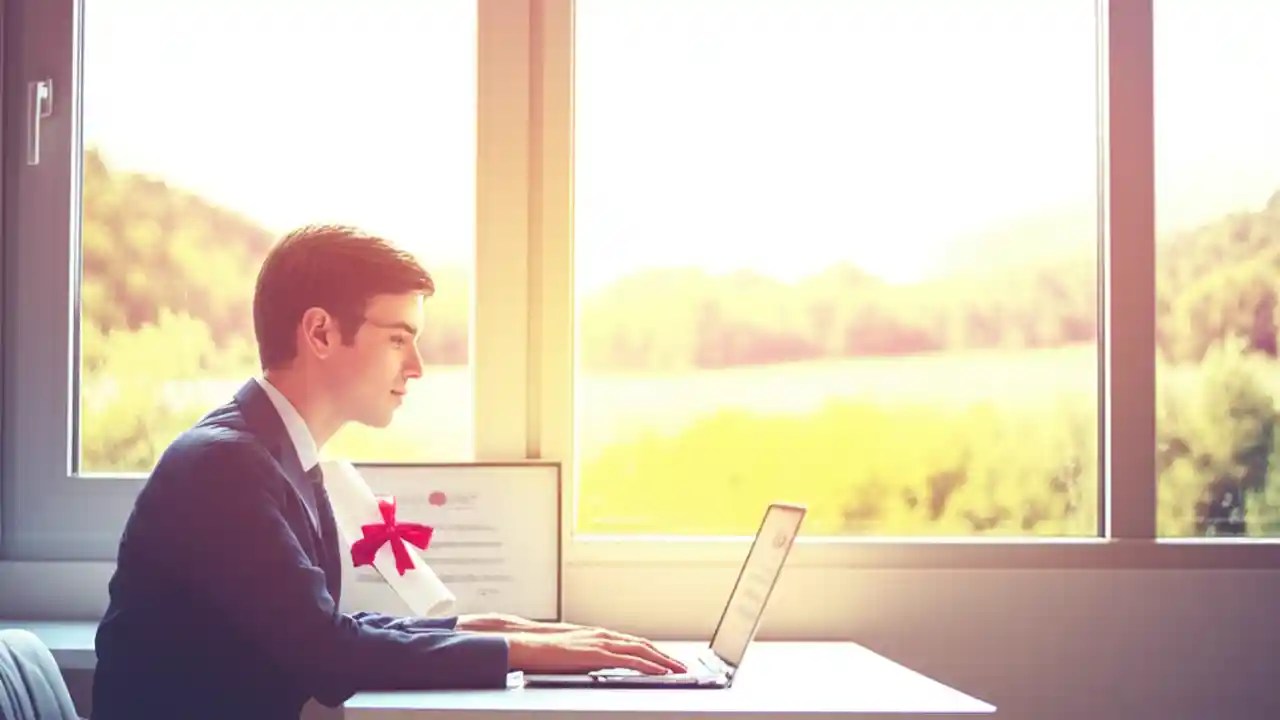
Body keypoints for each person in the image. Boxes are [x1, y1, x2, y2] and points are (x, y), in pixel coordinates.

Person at [91, 225, 685, 719]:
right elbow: (328, 658)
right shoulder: (225, 466)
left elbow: (318, 625)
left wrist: (480, 628)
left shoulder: (279, 455)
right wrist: (517, 650)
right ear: (320, 332)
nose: (419, 367)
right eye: (399, 339)